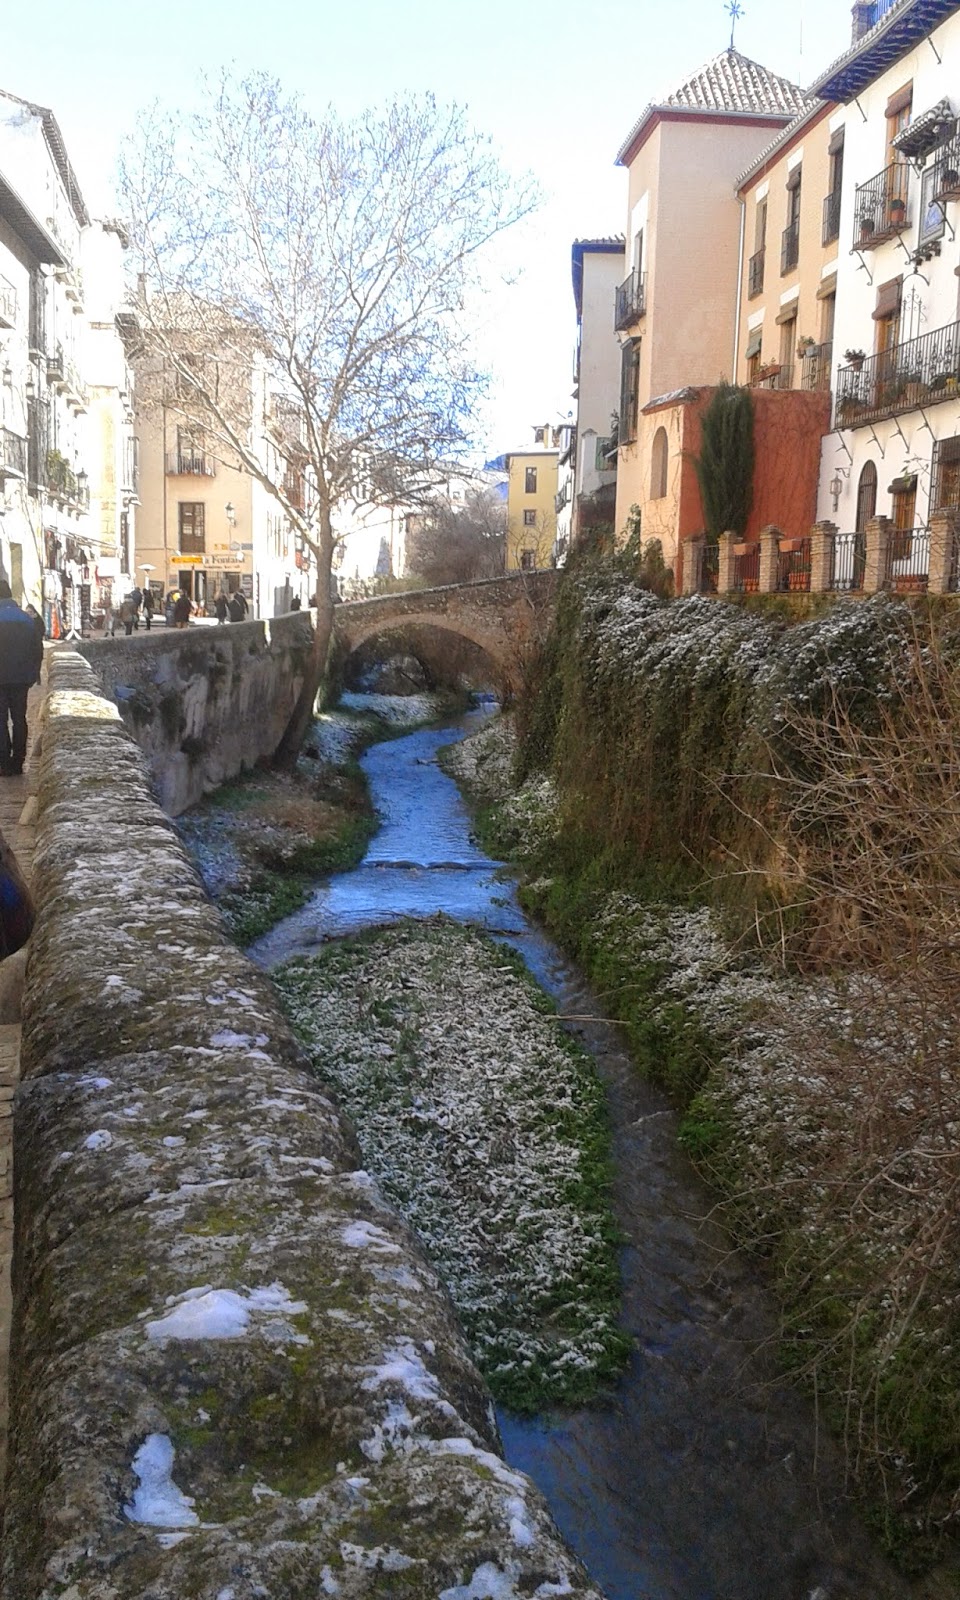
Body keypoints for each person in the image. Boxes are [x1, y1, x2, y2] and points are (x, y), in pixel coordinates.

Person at [0, 580, 43, 777]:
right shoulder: (26, 619)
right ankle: (18, 761)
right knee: (19, 719)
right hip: (21, 678)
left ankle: (4, 762)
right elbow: (37, 649)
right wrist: (33, 674)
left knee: (0, 720)